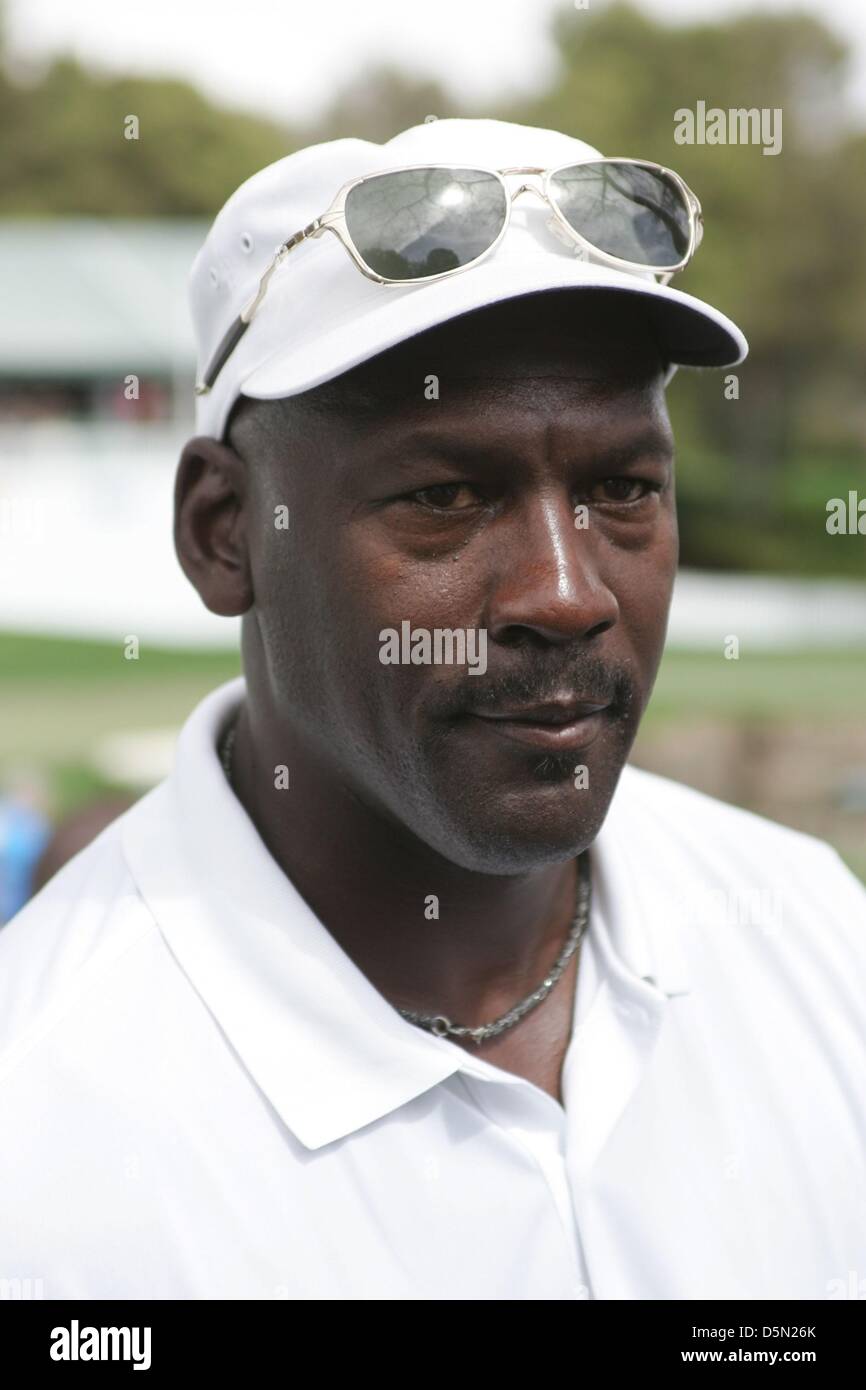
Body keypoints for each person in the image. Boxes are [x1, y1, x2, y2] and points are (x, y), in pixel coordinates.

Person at [0, 118, 863, 1301]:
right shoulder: (39, 1130)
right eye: (447, 494)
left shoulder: (811, 935)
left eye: (621, 489)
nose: (564, 594)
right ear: (222, 531)